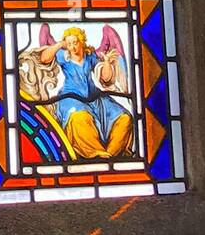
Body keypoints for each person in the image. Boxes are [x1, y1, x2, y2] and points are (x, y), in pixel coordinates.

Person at [38, 26, 133, 160]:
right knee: (79, 118)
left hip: (95, 99)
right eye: (69, 43)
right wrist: (60, 44)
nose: (72, 47)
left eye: (75, 42)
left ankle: (111, 154)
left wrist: (106, 62)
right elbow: (44, 58)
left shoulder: (91, 56)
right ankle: (96, 154)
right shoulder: (63, 56)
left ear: (81, 42)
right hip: (71, 97)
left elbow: (106, 78)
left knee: (124, 118)